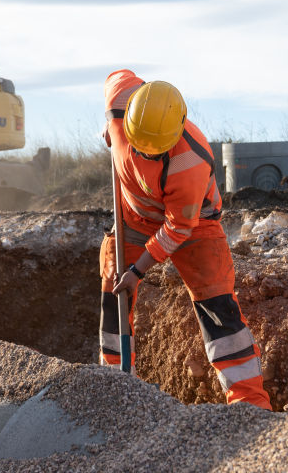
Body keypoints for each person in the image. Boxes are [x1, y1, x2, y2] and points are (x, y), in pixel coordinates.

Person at [100, 69, 271, 410]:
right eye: (139, 146)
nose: (145, 156)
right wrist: (109, 128)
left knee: (217, 305)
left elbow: (178, 228)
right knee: (112, 293)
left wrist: (138, 271)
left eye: (155, 152)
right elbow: (117, 76)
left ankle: (249, 405)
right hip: (133, 218)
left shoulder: (190, 159)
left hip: (195, 225)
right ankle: (114, 388)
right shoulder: (120, 102)